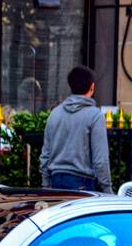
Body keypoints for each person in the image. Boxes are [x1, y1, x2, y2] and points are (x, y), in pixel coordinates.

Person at [39, 64, 112, 192]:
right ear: (92, 87)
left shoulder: (55, 113)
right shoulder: (95, 115)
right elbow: (100, 160)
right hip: (83, 182)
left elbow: (45, 154)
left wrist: (45, 183)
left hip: (55, 181)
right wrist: (107, 189)